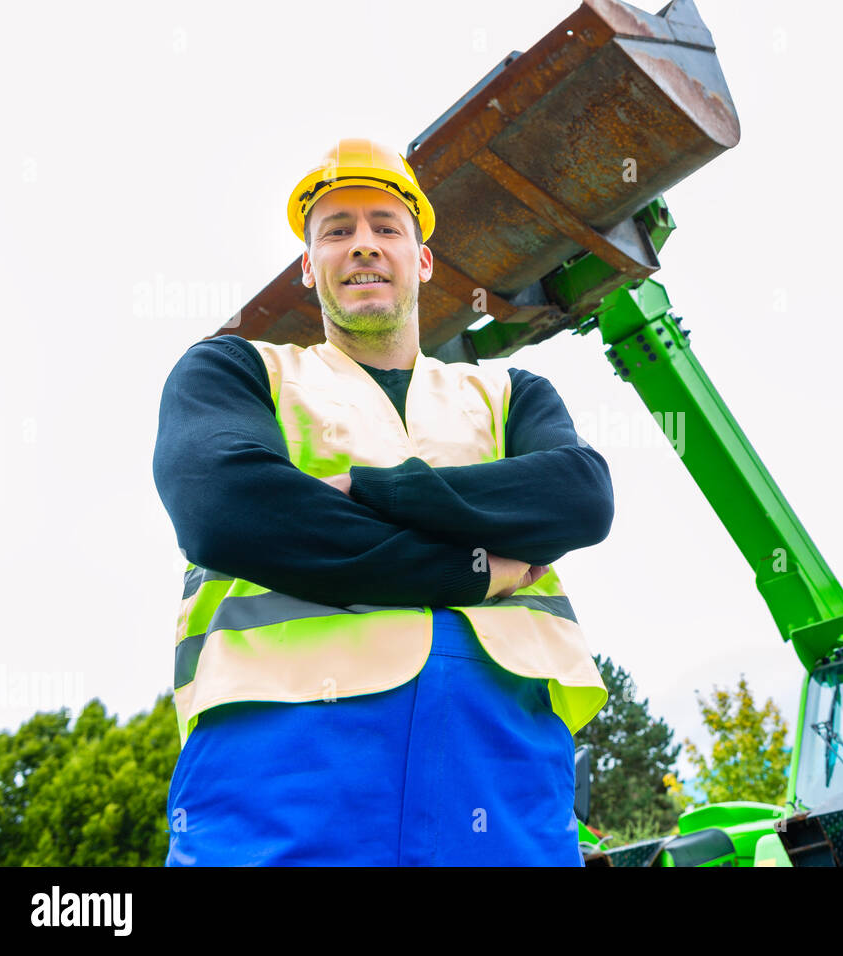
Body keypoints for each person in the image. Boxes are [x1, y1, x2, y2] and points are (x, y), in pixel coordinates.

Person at [152, 138, 613, 866]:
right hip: (284, 767)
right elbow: (229, 511)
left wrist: (374, 487)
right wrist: (473, 570)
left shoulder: (509, 394)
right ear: (309, 268)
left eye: (385, 227)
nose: (362, 246)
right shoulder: (237, 370)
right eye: (337, 230)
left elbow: (580, 499)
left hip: (502, 768)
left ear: (423, 260)